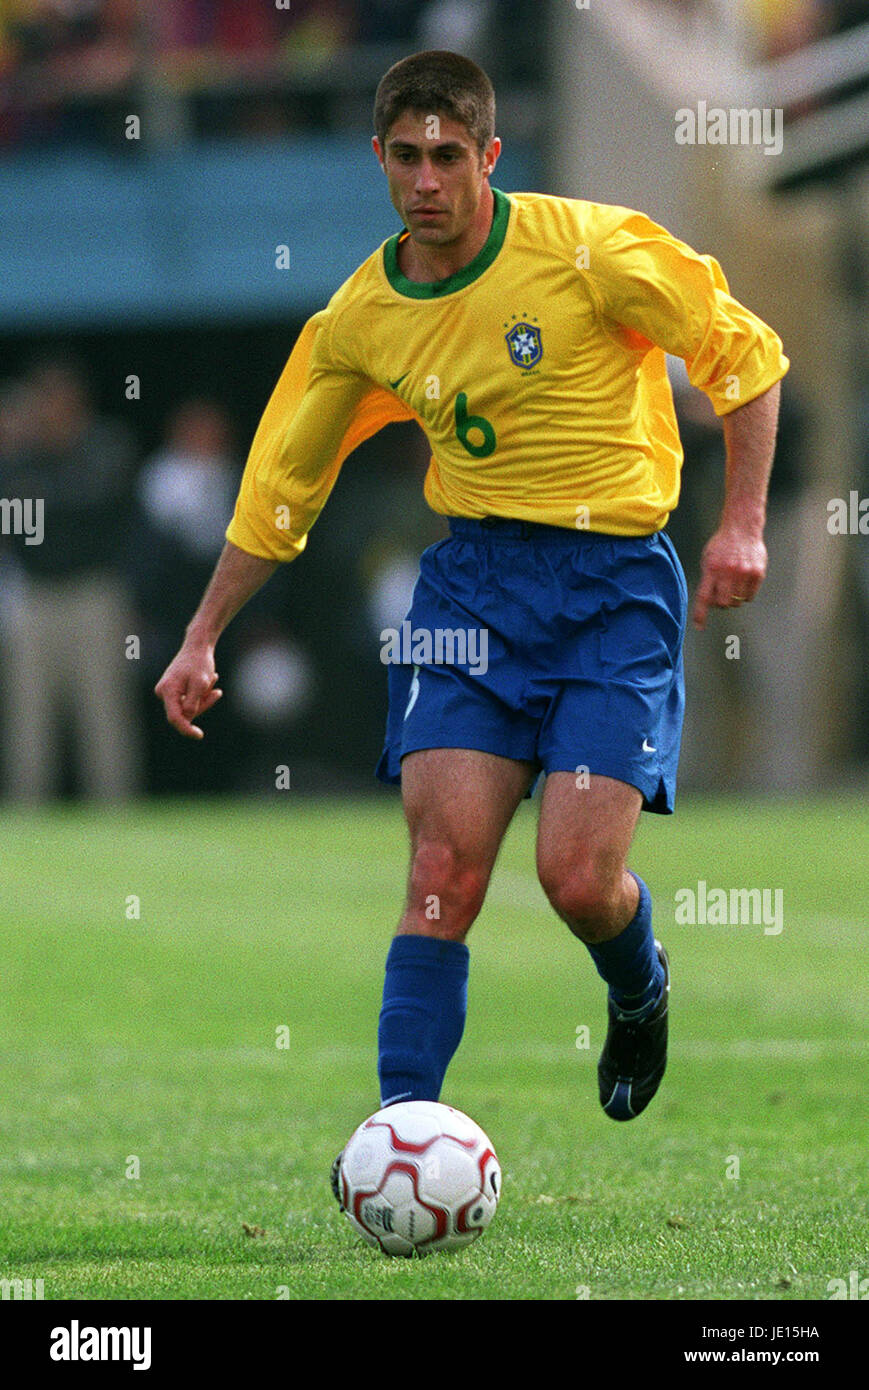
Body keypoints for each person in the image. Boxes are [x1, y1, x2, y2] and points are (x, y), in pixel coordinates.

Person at [154, 52, 788, 1192]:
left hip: (611, 589)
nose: (427, 180)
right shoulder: (359, 315)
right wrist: (202, 635)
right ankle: (404, 1139)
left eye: (449, 156)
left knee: (574, 880)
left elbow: (742, 353)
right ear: (380, 162)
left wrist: (739, 523)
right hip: (473, 595)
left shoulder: (591, 246)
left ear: (489, 156)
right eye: (406, 157)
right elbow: (281, 485)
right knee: (441, 869)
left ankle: (636, 985)